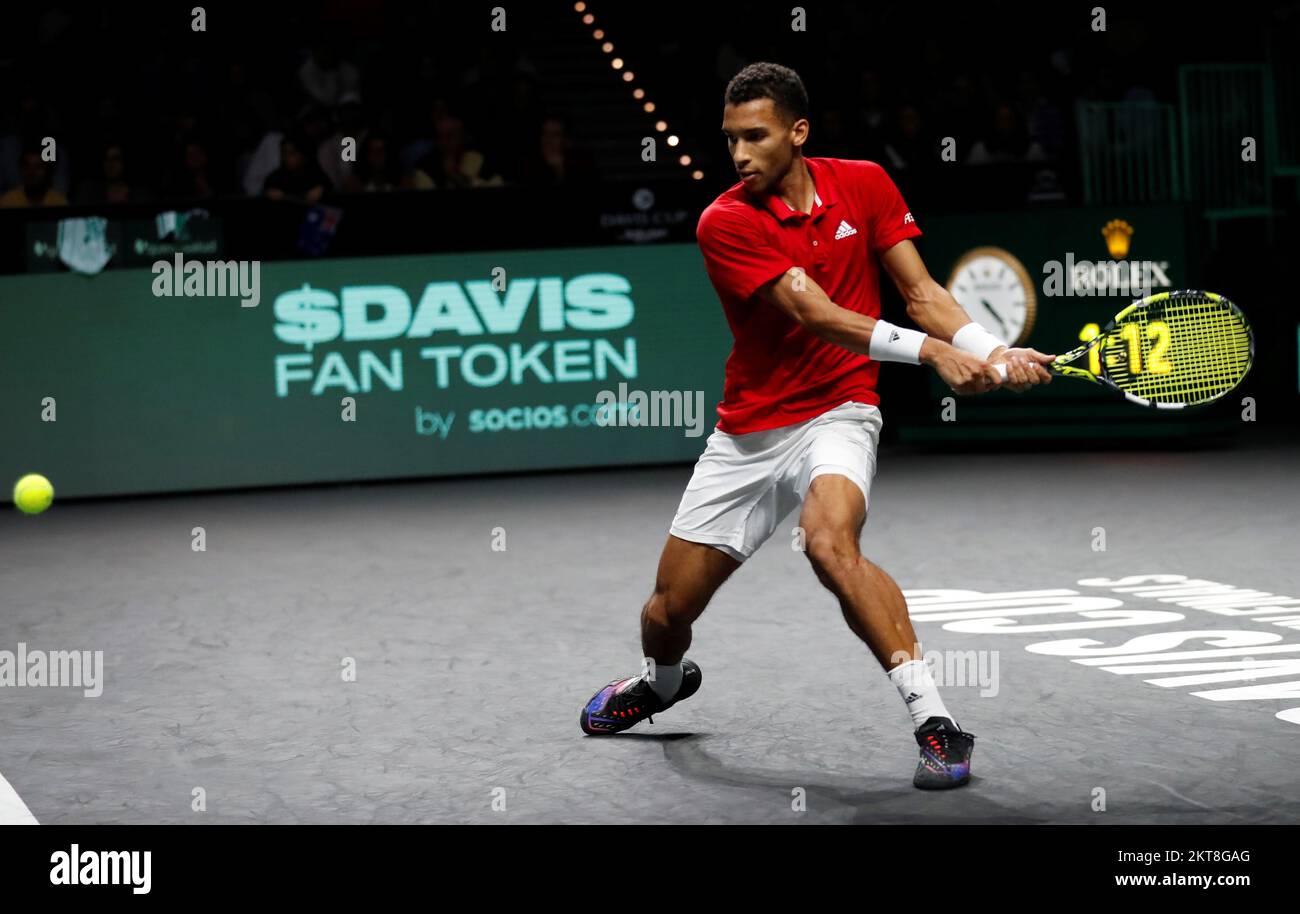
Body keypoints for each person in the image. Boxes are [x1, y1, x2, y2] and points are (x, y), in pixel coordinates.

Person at [579, 62, 1054, 790]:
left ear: (798, 132)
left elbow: (923, 292)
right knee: (667, 610)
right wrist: (932, 354)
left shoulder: (863, 183)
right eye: (730, 139)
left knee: (831, 545)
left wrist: (990, 349)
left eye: (756, 137)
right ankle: (664, 683)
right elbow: (816, 313)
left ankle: (937, 723)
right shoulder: (726, 220)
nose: (739, 155)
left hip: (840, 410)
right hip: (749, 433)